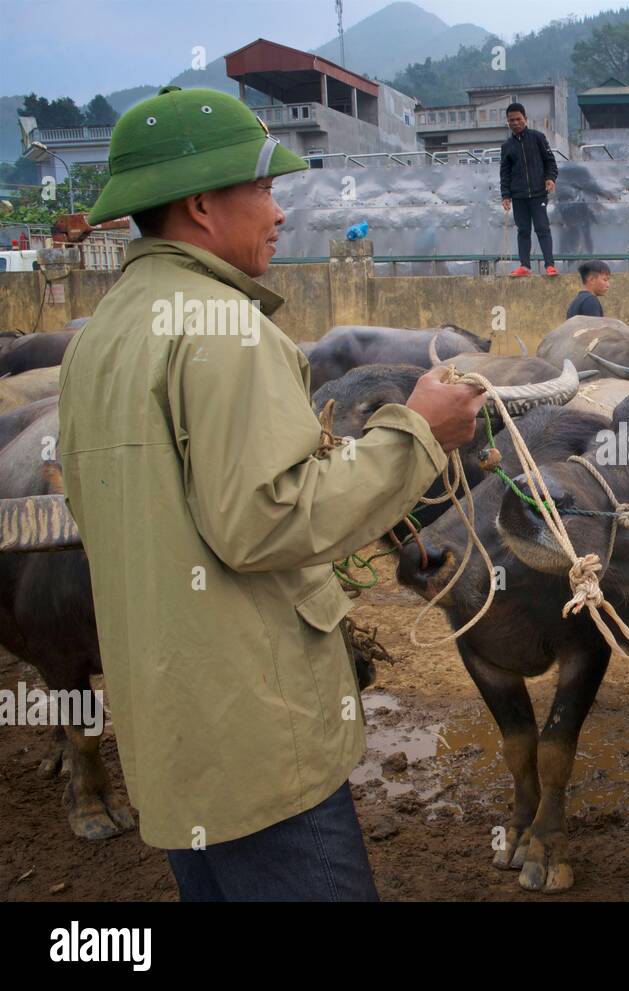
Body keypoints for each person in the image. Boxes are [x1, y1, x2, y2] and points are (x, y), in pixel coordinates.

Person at [60, 86, 486, 901]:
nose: (278, 212)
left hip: (173, 735)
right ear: (201, 206)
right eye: (261, 189)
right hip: (258, 740)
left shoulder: (103, 336)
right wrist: (420, 430)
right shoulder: (226, 326)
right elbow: (269, 517)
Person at [499, 103, 558, 277]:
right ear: (508, 122)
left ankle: (549, 265)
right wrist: (506, 195)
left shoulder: (538, 138)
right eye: (512, 120)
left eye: (518, 119)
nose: (516, 123)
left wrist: (550, 178)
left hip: (538, 193)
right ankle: (525, 266)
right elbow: (505, 173)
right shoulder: (507, 146)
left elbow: (550, 162)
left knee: (542, 228)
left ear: (525, 118)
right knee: (523, 230)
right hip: (518, 196)